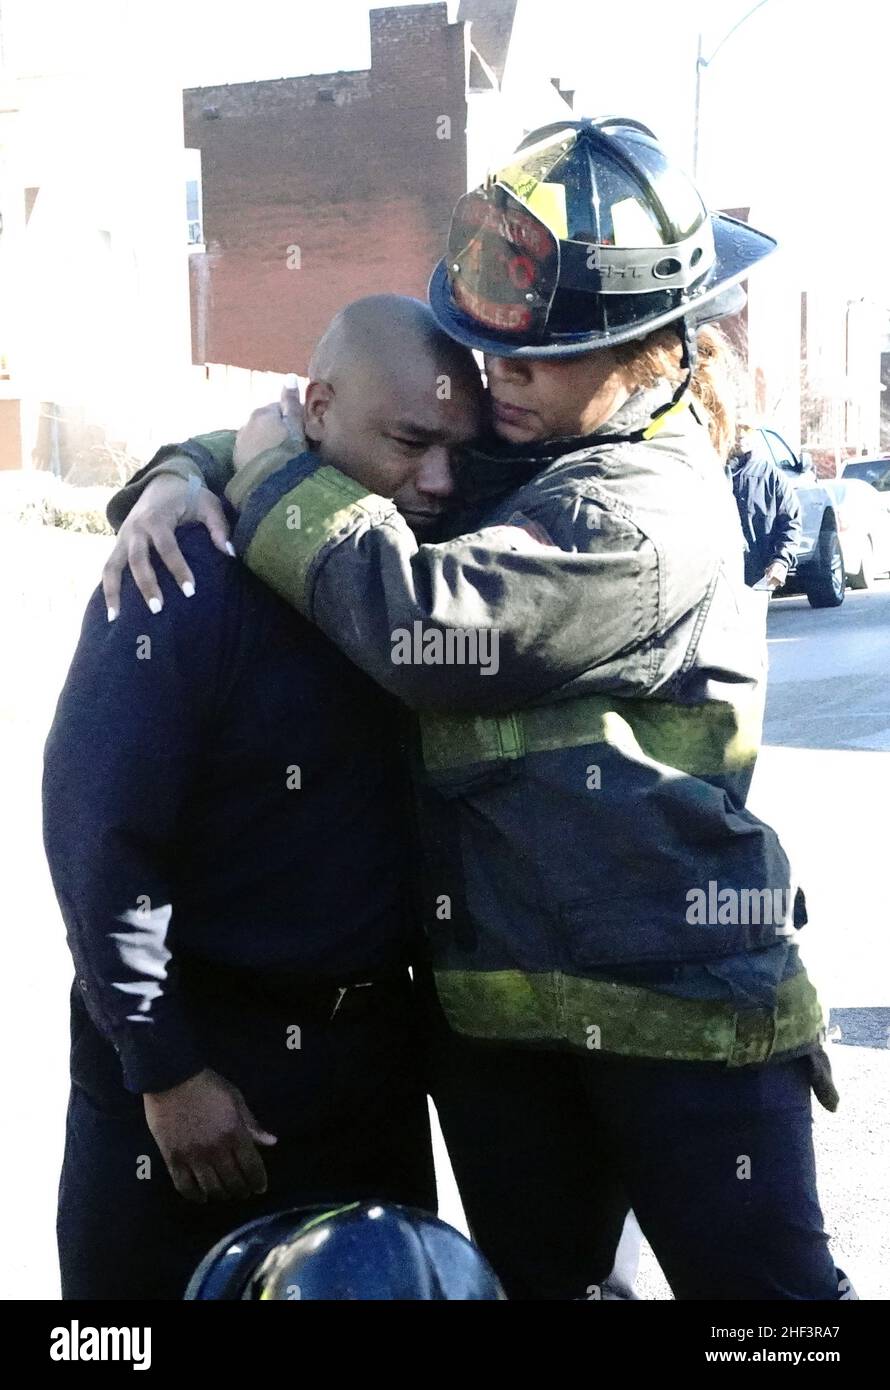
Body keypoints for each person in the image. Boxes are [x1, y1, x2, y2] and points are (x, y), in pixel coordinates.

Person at [102, 118, 850, 1302]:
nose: (494, 383)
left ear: (643, 350)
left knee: (765, 1313)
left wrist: (267, 477)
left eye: (531, 362)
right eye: (486, 355)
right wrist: (182, 471)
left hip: (682, 1035)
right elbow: (360, 429)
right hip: (505, 1043)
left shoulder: (645, 511)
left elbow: (429, 626)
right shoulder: (531, 444)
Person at [42, 295, 482, 1300]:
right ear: (314, 409)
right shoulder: (184, 568)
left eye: (459, 450)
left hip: (367, 1080)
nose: (439, 479)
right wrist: (163, 1068)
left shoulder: (420, 572)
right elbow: (98, 837)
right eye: (411, 441)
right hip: (197, 1078)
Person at [729, 420, 803, 588]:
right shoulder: (712, 474)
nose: (740, 436)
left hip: (758, 578)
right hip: (719, 578)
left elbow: (791, 523)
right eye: (735, 430)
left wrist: (780, 561)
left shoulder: (772, 477)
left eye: (745, 429)